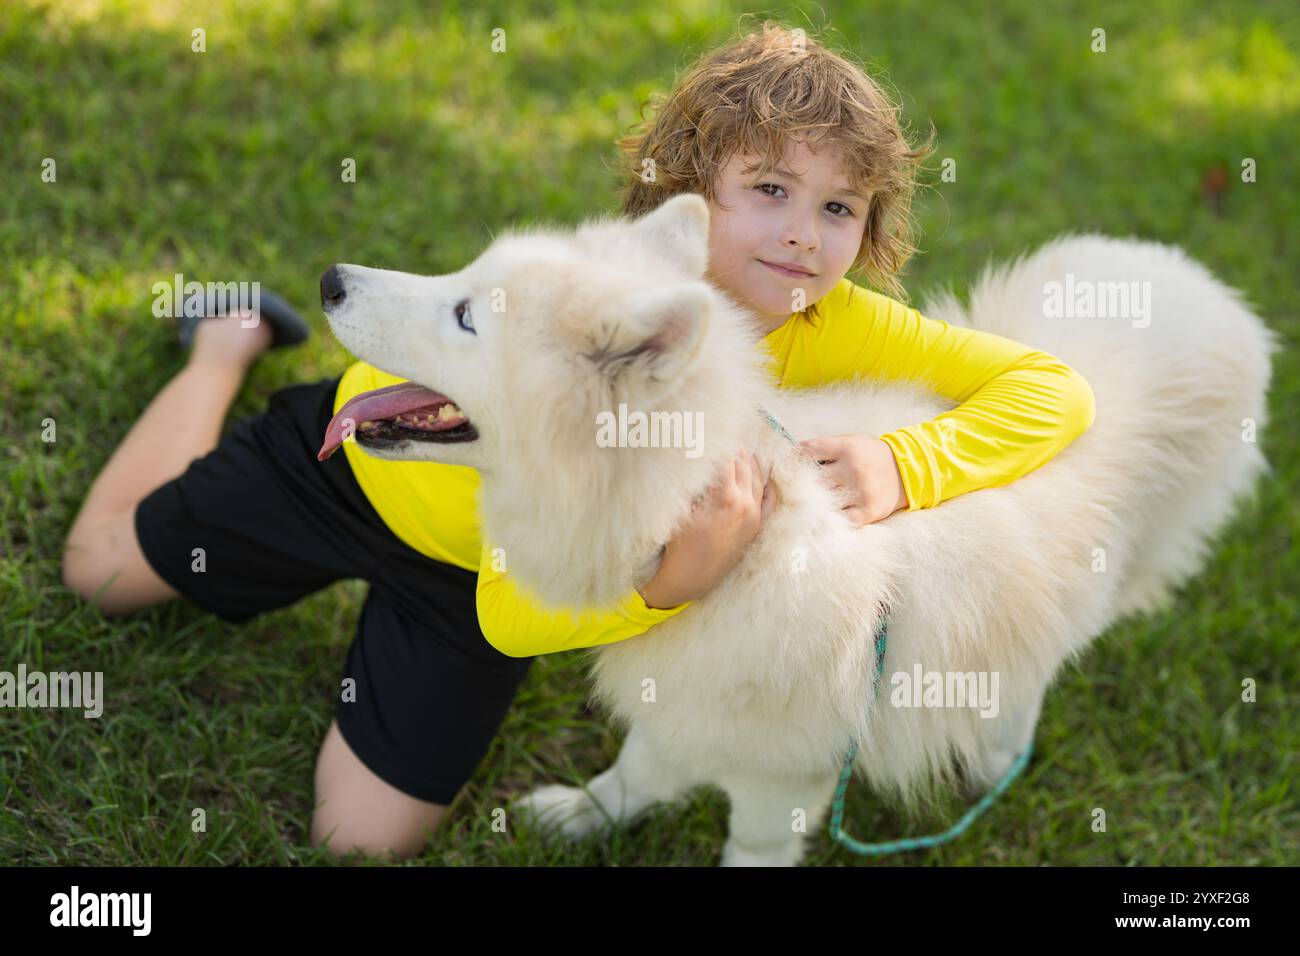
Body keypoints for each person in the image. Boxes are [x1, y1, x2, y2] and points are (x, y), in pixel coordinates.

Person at [61, 19, 1094, 862]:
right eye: (769, 190)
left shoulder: (840, 321)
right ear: (689, 191)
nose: (800, 234)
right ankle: (222, 346)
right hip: (362, 461)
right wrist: (668, 581)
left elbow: (1049, 390)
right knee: (99, 574)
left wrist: (905, 462)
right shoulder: (609, 302)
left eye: (837, 208)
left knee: (358, 840)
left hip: (483, 580)